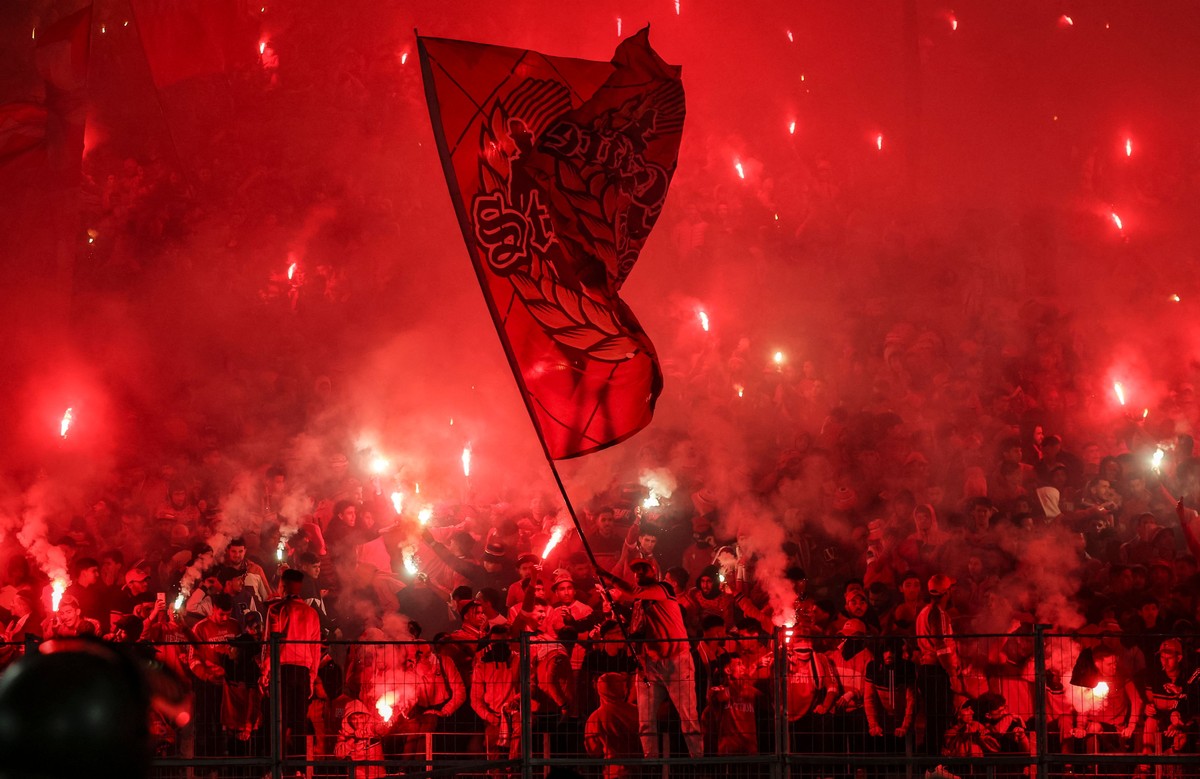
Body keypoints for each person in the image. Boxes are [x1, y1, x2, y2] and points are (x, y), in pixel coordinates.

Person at [599, 559, 703, 758]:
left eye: (642, 569)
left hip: (676, 660)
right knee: (645, 719)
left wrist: (606, 575)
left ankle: (697, 760)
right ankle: (651, 761)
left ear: (653, 570)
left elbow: (634, 592)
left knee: (688, 716)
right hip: (650, 664)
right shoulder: (640, 603)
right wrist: (617, 607)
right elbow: (637, 629)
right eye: (635, 571)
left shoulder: (663, 588)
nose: (638, 573)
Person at [262, 568, 322, 757]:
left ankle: (277, 763)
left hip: (282, 671)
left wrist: (265, 671)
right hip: (303, 671)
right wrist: (312, 677)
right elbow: (315, 648)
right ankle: (300, 766)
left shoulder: (276, 609)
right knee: (299, 721)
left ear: (283, 585)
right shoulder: (312, 613)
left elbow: (270, 642)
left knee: (279, 719)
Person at [584, 672, 641, 777]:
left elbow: (593, 751)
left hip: (613, 771)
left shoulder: (596, 717)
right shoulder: (637, 711)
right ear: (622, 688)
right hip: (638, 768)